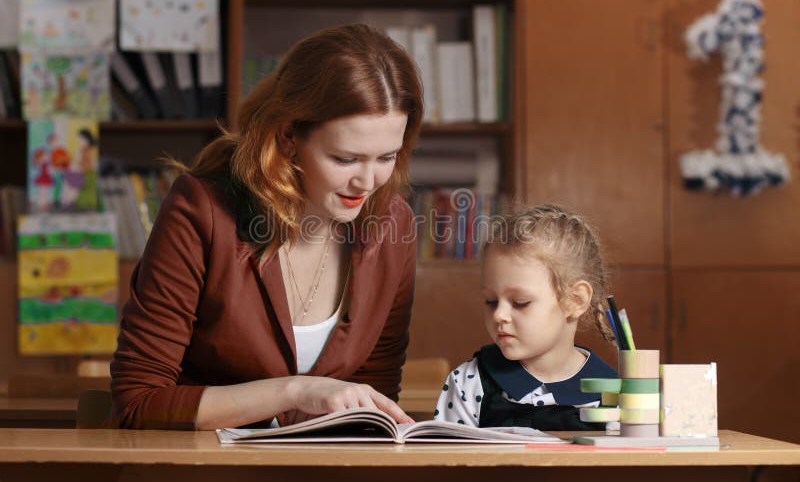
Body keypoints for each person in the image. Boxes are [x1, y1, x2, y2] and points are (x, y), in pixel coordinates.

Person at [111, 24, 423, 430]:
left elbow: (374, 399)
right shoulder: (201, 210)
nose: (367, 182)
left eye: (386, 157)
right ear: (289, 137)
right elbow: (139, 402)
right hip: (199, 461)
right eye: (346, 159)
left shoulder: (393, 224)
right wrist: (293, 392)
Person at [434, 205, 618, 430]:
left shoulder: (616, 394)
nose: (499, 315)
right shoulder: (468, 384)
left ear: (575, 300)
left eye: (520, 302)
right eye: (491, 301)